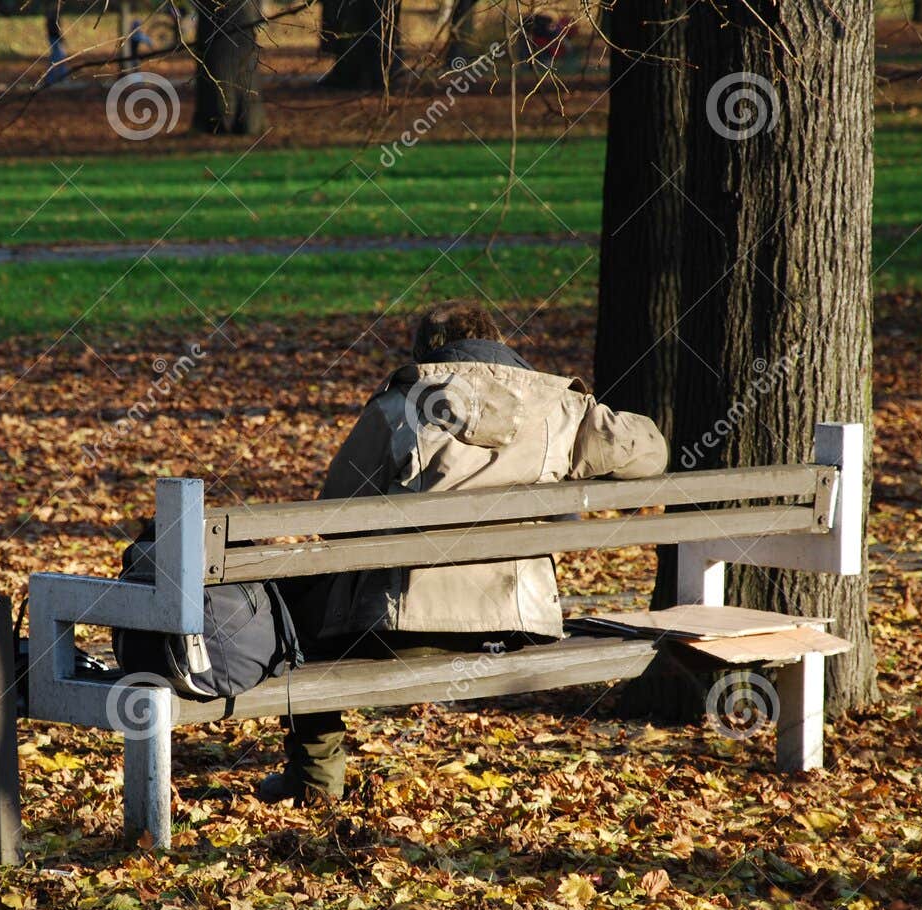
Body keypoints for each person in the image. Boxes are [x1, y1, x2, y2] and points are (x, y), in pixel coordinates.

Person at [256, 300, 669, 806]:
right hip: (516, 622)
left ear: (429, 353)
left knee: (287, 621)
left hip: (402, 627)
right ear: (496, 343)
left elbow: (336, 517)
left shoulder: (398, 405)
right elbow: (650, 452)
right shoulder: (562, 409)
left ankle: (315, 776)